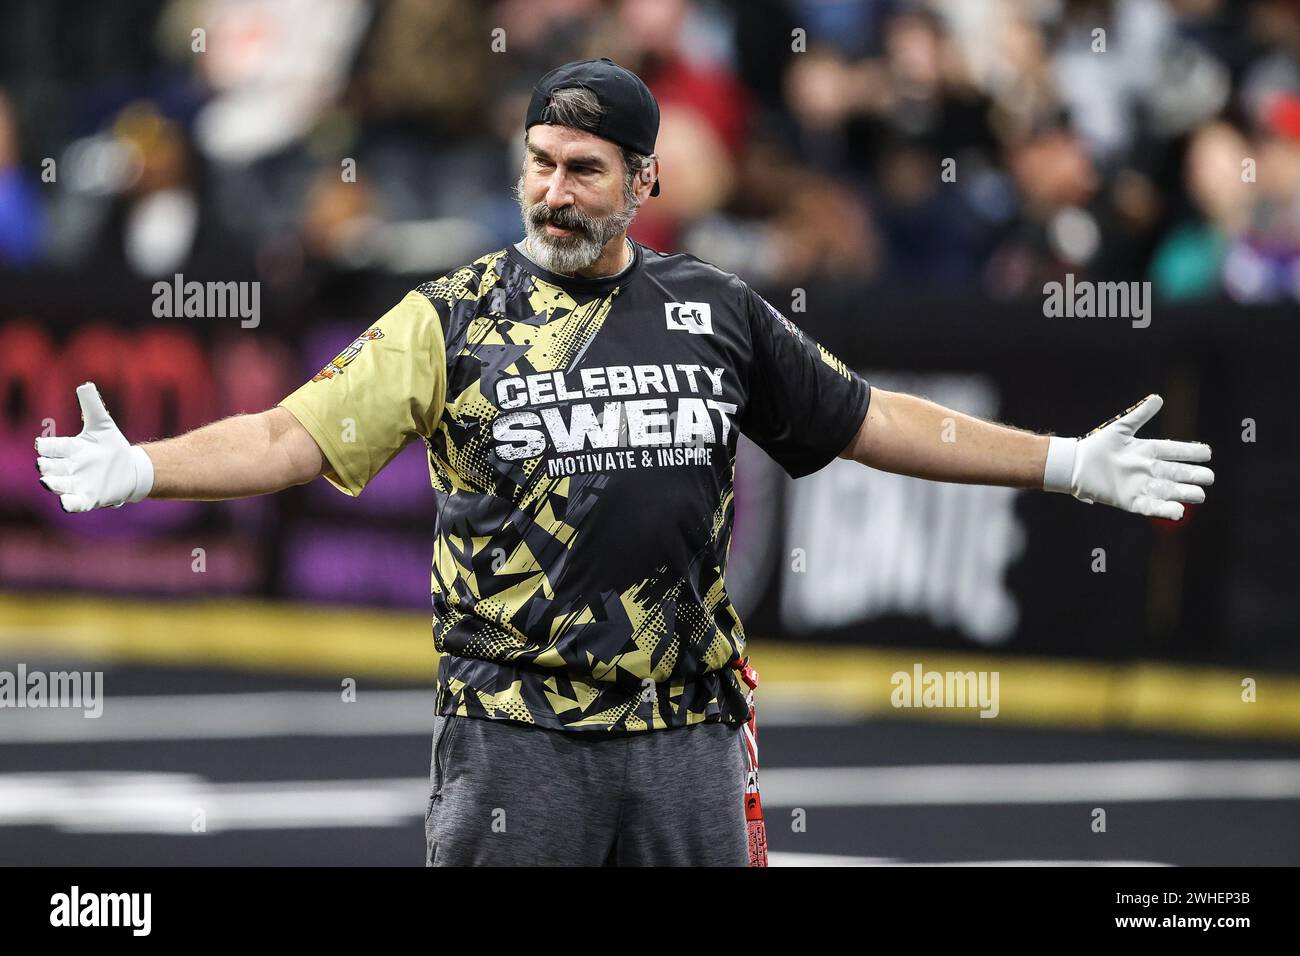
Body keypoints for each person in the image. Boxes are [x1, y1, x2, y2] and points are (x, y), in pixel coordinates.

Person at [34, 58, 1215, 867]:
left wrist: (1060, 460)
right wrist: (144, 468)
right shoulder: (448, 318)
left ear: (642, 181)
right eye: (539, 161)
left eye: (583, 168)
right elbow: (290, 433)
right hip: (515, 729)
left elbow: (869, 418)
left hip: (687, 730)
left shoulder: (716, 311)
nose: (552, 190)